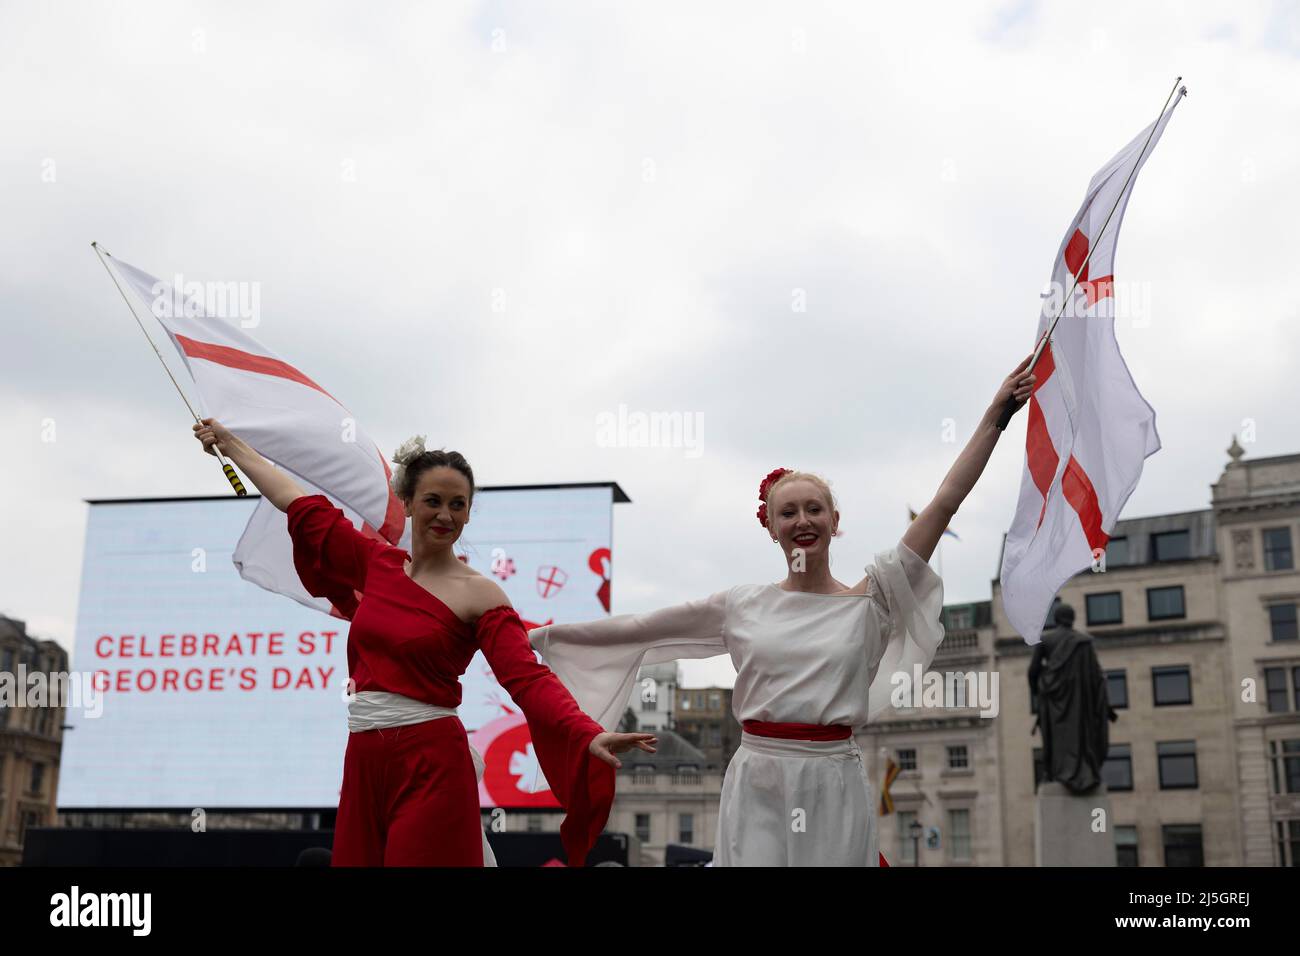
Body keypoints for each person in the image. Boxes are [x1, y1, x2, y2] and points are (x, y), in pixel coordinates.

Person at [528, 355, 1038, 865]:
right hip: (758, 778)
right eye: (787, 512)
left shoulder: (871, 602)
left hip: (834, 779)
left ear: (834, 521)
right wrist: (529, 637)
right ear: (770, 527)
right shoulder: (742, 604)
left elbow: (944, 502)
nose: (802, 521)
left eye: (813, 509)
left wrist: (997, 415)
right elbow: (635, 630)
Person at [193, 420, 656, 866]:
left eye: (458, 505)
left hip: (431, 763)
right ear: (408, 502)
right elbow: (296, 502)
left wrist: (586, 732)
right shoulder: (377, 564)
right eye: (433, 500)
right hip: (364, 758)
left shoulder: (481, 594)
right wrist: (232, 446)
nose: (445, 515)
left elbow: (527, 678)